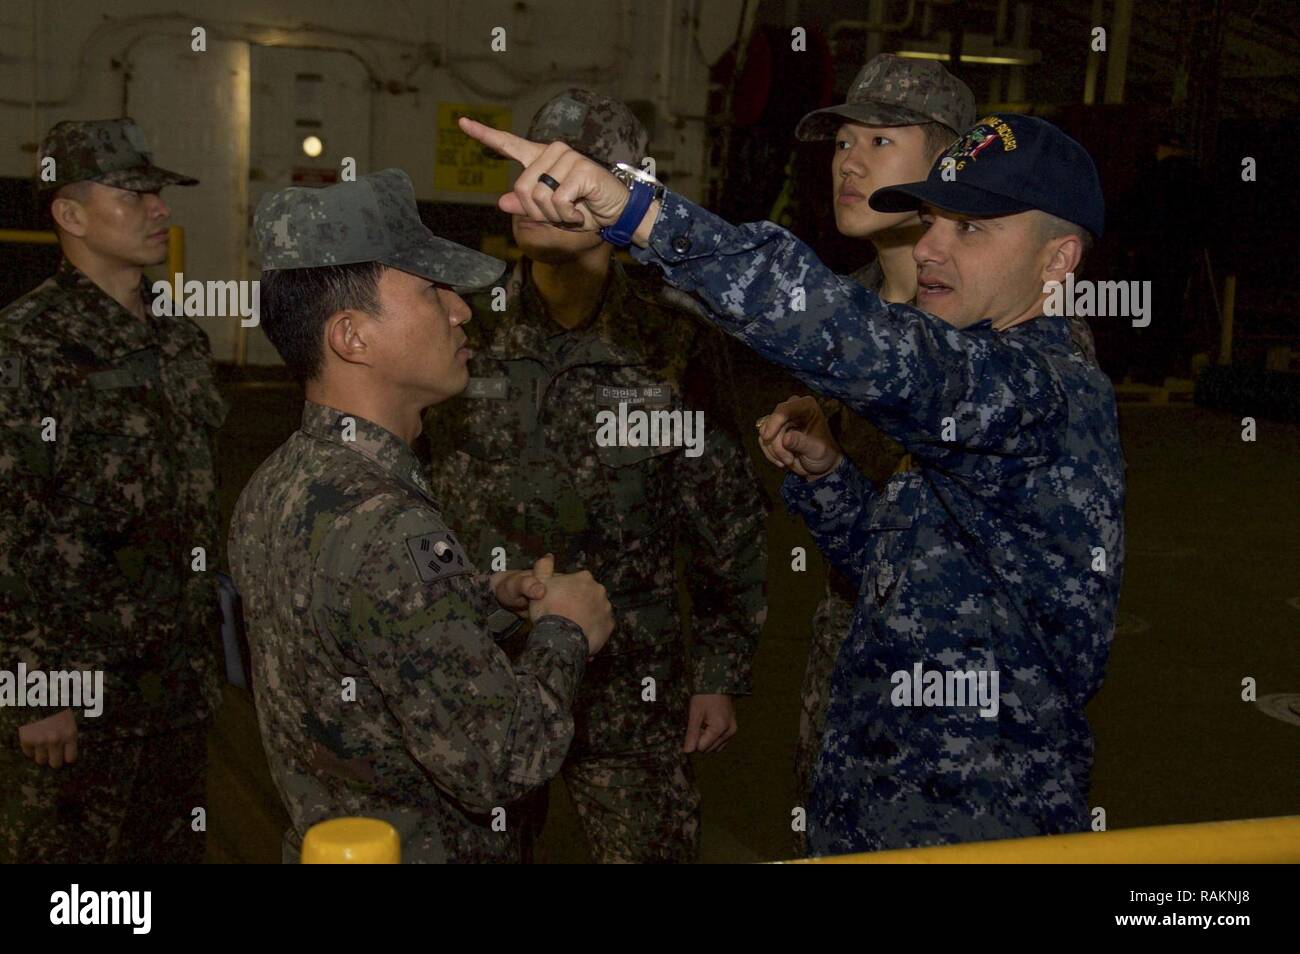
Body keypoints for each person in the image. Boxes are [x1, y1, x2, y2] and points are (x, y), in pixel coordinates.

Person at [458, 110, 1125, 856]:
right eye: (931, 218)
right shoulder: (984, 382)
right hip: (882, 806)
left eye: (971, 228)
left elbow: (846, 329)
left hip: (971, 825)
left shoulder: (1037, 390)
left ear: (1058, 260)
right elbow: (904, 574)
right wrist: (834, 480)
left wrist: (641, 213)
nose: (931, 245)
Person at [229, 168, 614, 863]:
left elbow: (366, 642)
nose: (461, 311)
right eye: (430, 290)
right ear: (353, 337)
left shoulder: (279, 483)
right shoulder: (387, 522)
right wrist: (566, 630)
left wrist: (478, 597)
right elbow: (502, 761)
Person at [425, 89, 766, 863]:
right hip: (488, 675)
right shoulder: (460, 320)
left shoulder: (672, 337)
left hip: (631, 692)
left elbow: (726, 511)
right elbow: (408, 485)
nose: (537, 191)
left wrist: (719, 668)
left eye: (564, 174)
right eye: (530, 168)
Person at [0, 118, 223, 863]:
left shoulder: (180, 339)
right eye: (135, 194)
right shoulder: (25, 346)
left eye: (158, 193)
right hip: (75, 704)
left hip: (176, 691)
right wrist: (33, 688)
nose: (159, 208)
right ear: (70, 214)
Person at [787, 55, 974, 835]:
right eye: (841, 143)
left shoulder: (991, 328)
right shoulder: (847, 311)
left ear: (952, 167)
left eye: (880, 141)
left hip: (956, 707)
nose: (849, 163)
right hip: (841, 672)